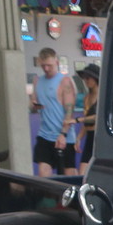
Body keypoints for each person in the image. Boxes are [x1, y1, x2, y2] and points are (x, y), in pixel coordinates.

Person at [30, 48, 77, 177]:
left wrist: (63, 134)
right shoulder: (37, 81)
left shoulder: (65, 81)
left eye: (49, 65)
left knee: (69, 175)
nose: (46, 68)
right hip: (44, 134)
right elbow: (33, 104)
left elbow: (69, 111)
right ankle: (50, 196)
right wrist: (34, 105)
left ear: (56, 62)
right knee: (43, 173)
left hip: (62, 135)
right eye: (43, 65)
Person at [75, 63, 100, 175]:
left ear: (96, 78)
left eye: (88, 78)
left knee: (99, 171)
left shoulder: (102, 96)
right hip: (89, 137)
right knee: (82, 172)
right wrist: (79, 138)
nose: (86, 81)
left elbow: (97, 118)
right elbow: (86, 121)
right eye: (84, 78)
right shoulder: (86, 98)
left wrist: (76, 120)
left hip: (99, 137)